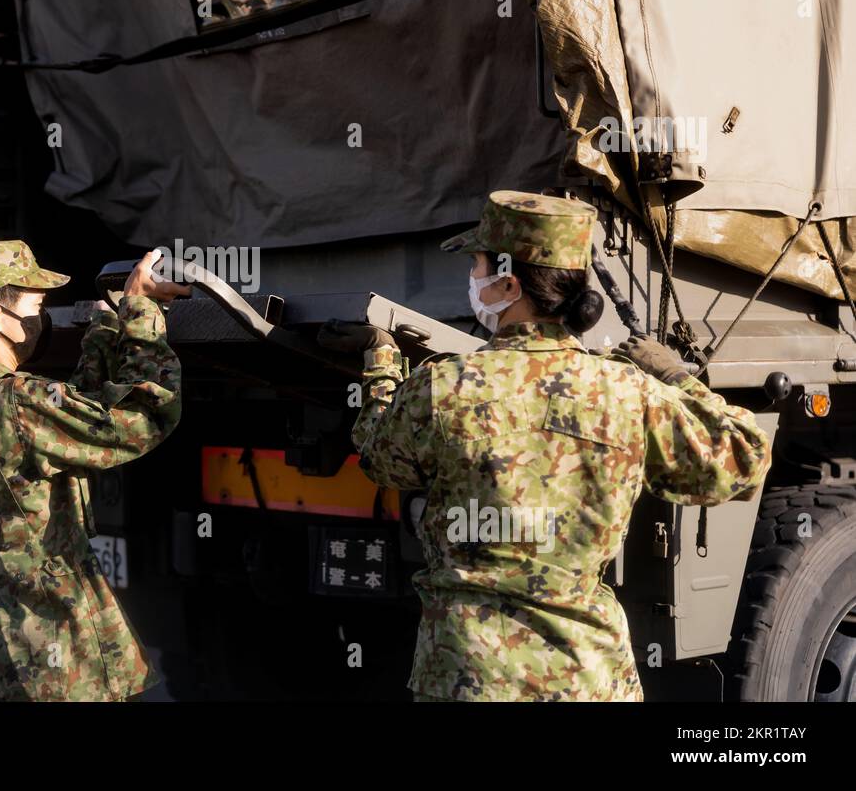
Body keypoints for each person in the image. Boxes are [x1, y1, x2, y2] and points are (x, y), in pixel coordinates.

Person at [319, 190, 772, 701]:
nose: (472, 278)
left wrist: (382, 365)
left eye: (477, 265)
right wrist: (674, 375)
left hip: (467, 677)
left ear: (508, 284)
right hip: (589, 678)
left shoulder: (442, 386)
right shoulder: (629, 391)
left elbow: (378, 458)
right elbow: (744, 459)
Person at [0, 241, 188, 700]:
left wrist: (109, 326)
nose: (40, 319)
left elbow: (68, 422)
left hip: (1, 636)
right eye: (35, 306)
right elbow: (144, 420)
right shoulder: (16, 402)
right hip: (54, 643)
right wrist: (142, 316)